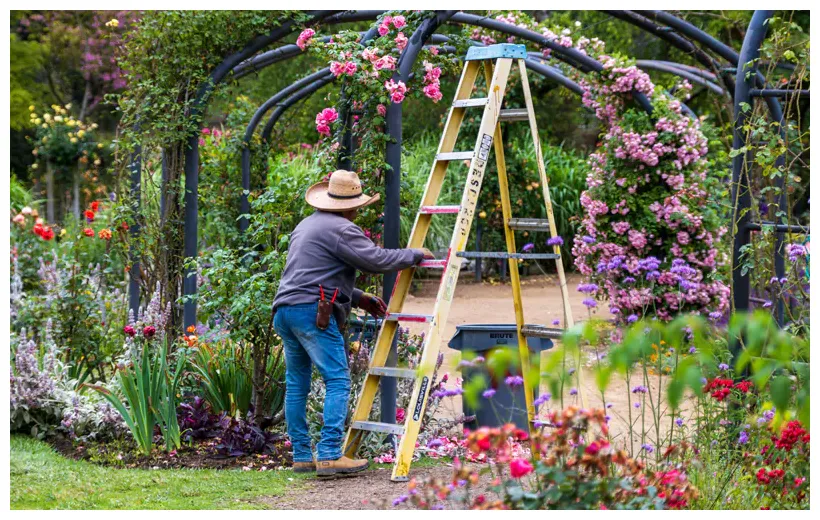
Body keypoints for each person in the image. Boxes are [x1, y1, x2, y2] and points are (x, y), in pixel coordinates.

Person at [272, 169, 433, 478]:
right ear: (351, 206)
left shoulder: (306, 225)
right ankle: (330, 454)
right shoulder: (342, 229)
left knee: (296, 384)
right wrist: (414, 254)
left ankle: (302, 456)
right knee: (337, 379)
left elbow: (311, 273)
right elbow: (377, 260)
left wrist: (357, 297)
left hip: (285, 311)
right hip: (312, 312)